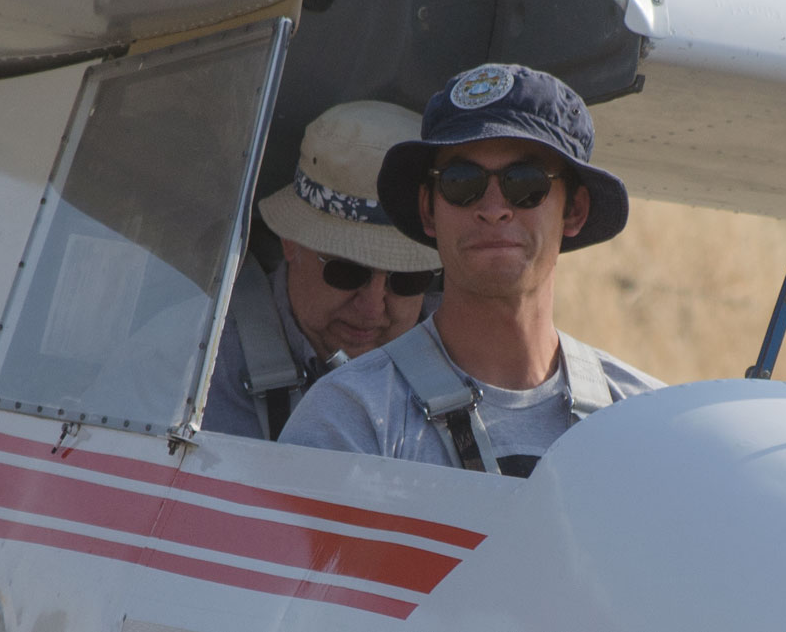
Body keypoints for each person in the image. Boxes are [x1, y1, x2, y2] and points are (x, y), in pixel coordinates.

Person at [280, 63, 662, 476]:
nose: (494, 209)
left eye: (525, 183)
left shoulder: (646, 425)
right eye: (462, 182)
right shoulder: (349, 418)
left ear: (575, 209)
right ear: (429, 210)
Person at [202, 100, 442, 440]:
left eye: (407, 279)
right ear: (290, 243)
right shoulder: (192, 371)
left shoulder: (472, 357)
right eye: (347, 272)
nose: (373, 308)